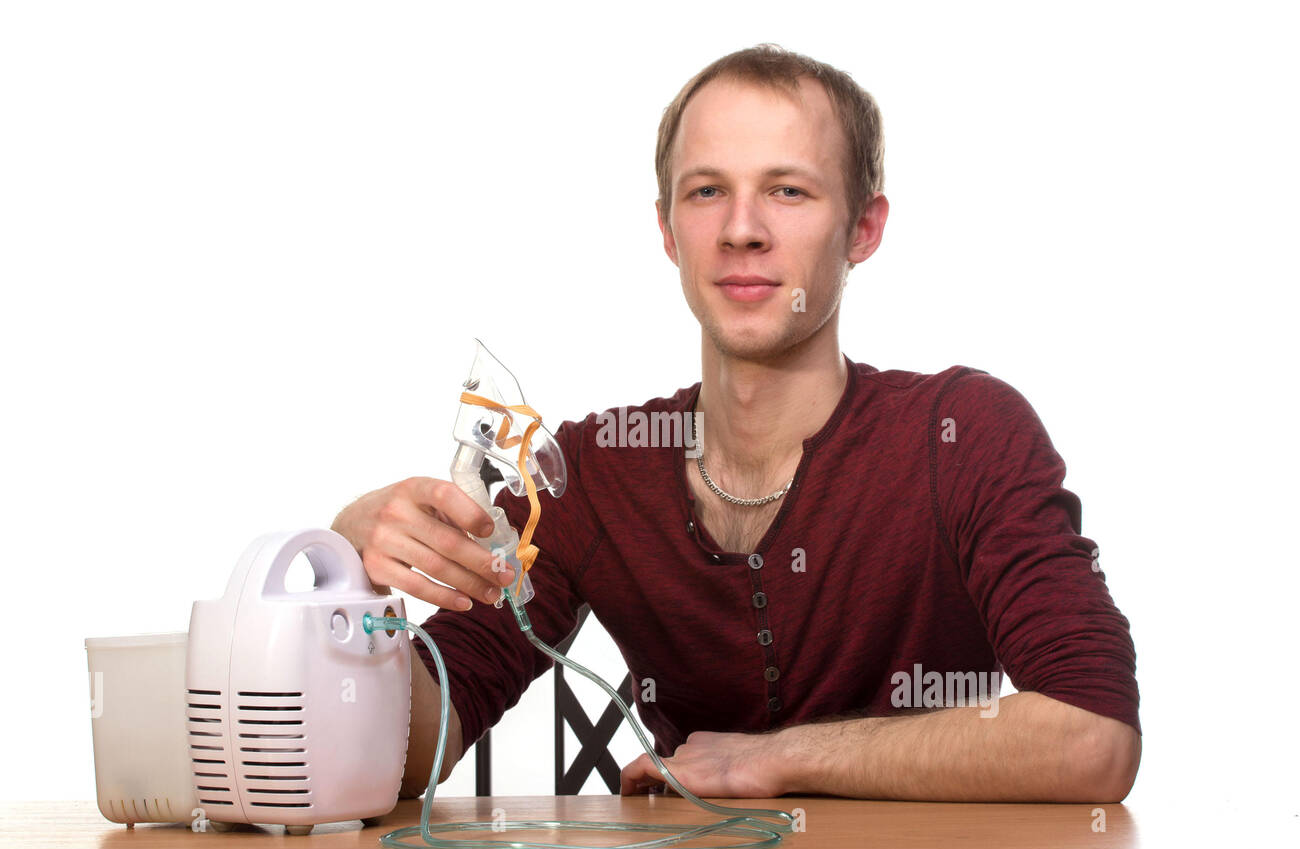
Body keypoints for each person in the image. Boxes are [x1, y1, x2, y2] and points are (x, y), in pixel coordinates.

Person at [331, 43, 1141, 802]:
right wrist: (349, 584)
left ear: (864, 227)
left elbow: (1092, 737)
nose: (741, 229)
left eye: (788, 191)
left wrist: (782, 757)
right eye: (707, 190)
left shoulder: (961, 433)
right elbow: (411, 755)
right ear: (667, 230)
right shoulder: (593, 471)